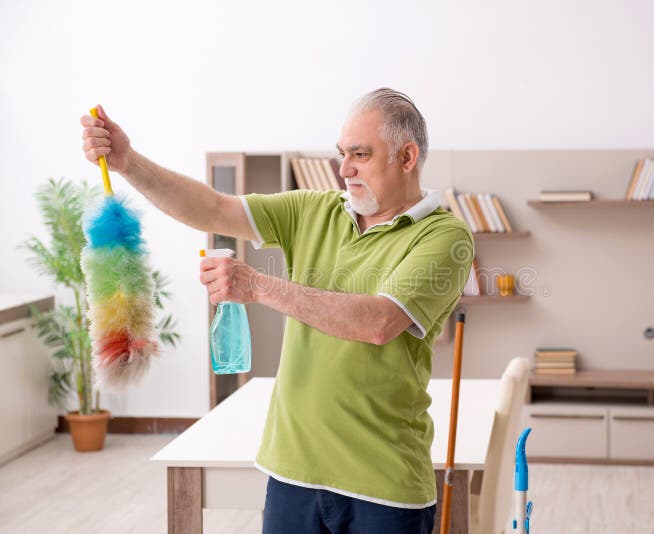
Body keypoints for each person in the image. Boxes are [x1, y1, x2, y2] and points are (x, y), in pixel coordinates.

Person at [81, 88, 474, 533]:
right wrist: (129, 161)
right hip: (292, 473)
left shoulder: (445, 237)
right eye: (342, 154)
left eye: (360, 155)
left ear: (407, 157)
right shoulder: (314, 210)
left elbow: (378, 321)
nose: (344, 169)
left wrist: (258, 285)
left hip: (383, 486)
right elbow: (214, 208)